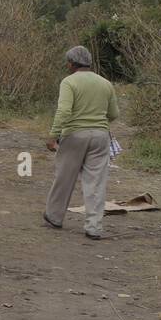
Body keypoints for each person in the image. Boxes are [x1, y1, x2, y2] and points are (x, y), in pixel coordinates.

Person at [43, 45, 120, 239]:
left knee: (64, 177)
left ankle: (54, 217)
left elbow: (64, 111)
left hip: (74, 135)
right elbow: (114, 114)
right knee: (96, 182)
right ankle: (94, 227)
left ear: (71, 63)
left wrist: (53, 135)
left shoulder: (69, 82)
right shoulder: (105, 83)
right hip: (101, 136)